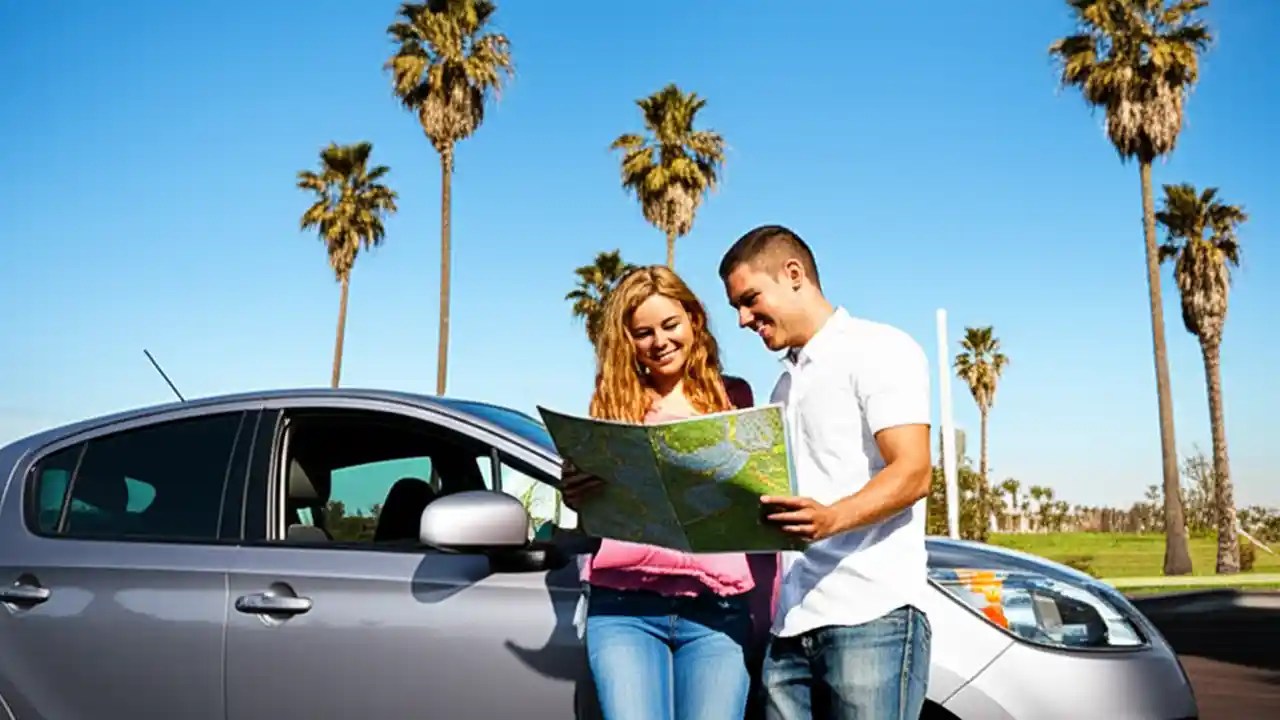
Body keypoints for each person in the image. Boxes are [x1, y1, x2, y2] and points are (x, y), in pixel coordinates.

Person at [718, 224, 935, 720]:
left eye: (750, 300)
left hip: (871, 618)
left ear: (793, 275)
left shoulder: (879, 348)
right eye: (736, 307)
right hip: (789, 626)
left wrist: (831, 519)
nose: (743, 319)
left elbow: (915, 471)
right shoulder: (782, 388)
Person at [559, 264, 767, 720]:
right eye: (643, 332)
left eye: (670, 325)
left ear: (694, 320)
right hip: (624, 611)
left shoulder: (733, 397)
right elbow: (592, 521)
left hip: (717, 611)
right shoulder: (611, 403)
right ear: (627, 341)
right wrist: (577, 494)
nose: (660, 342)